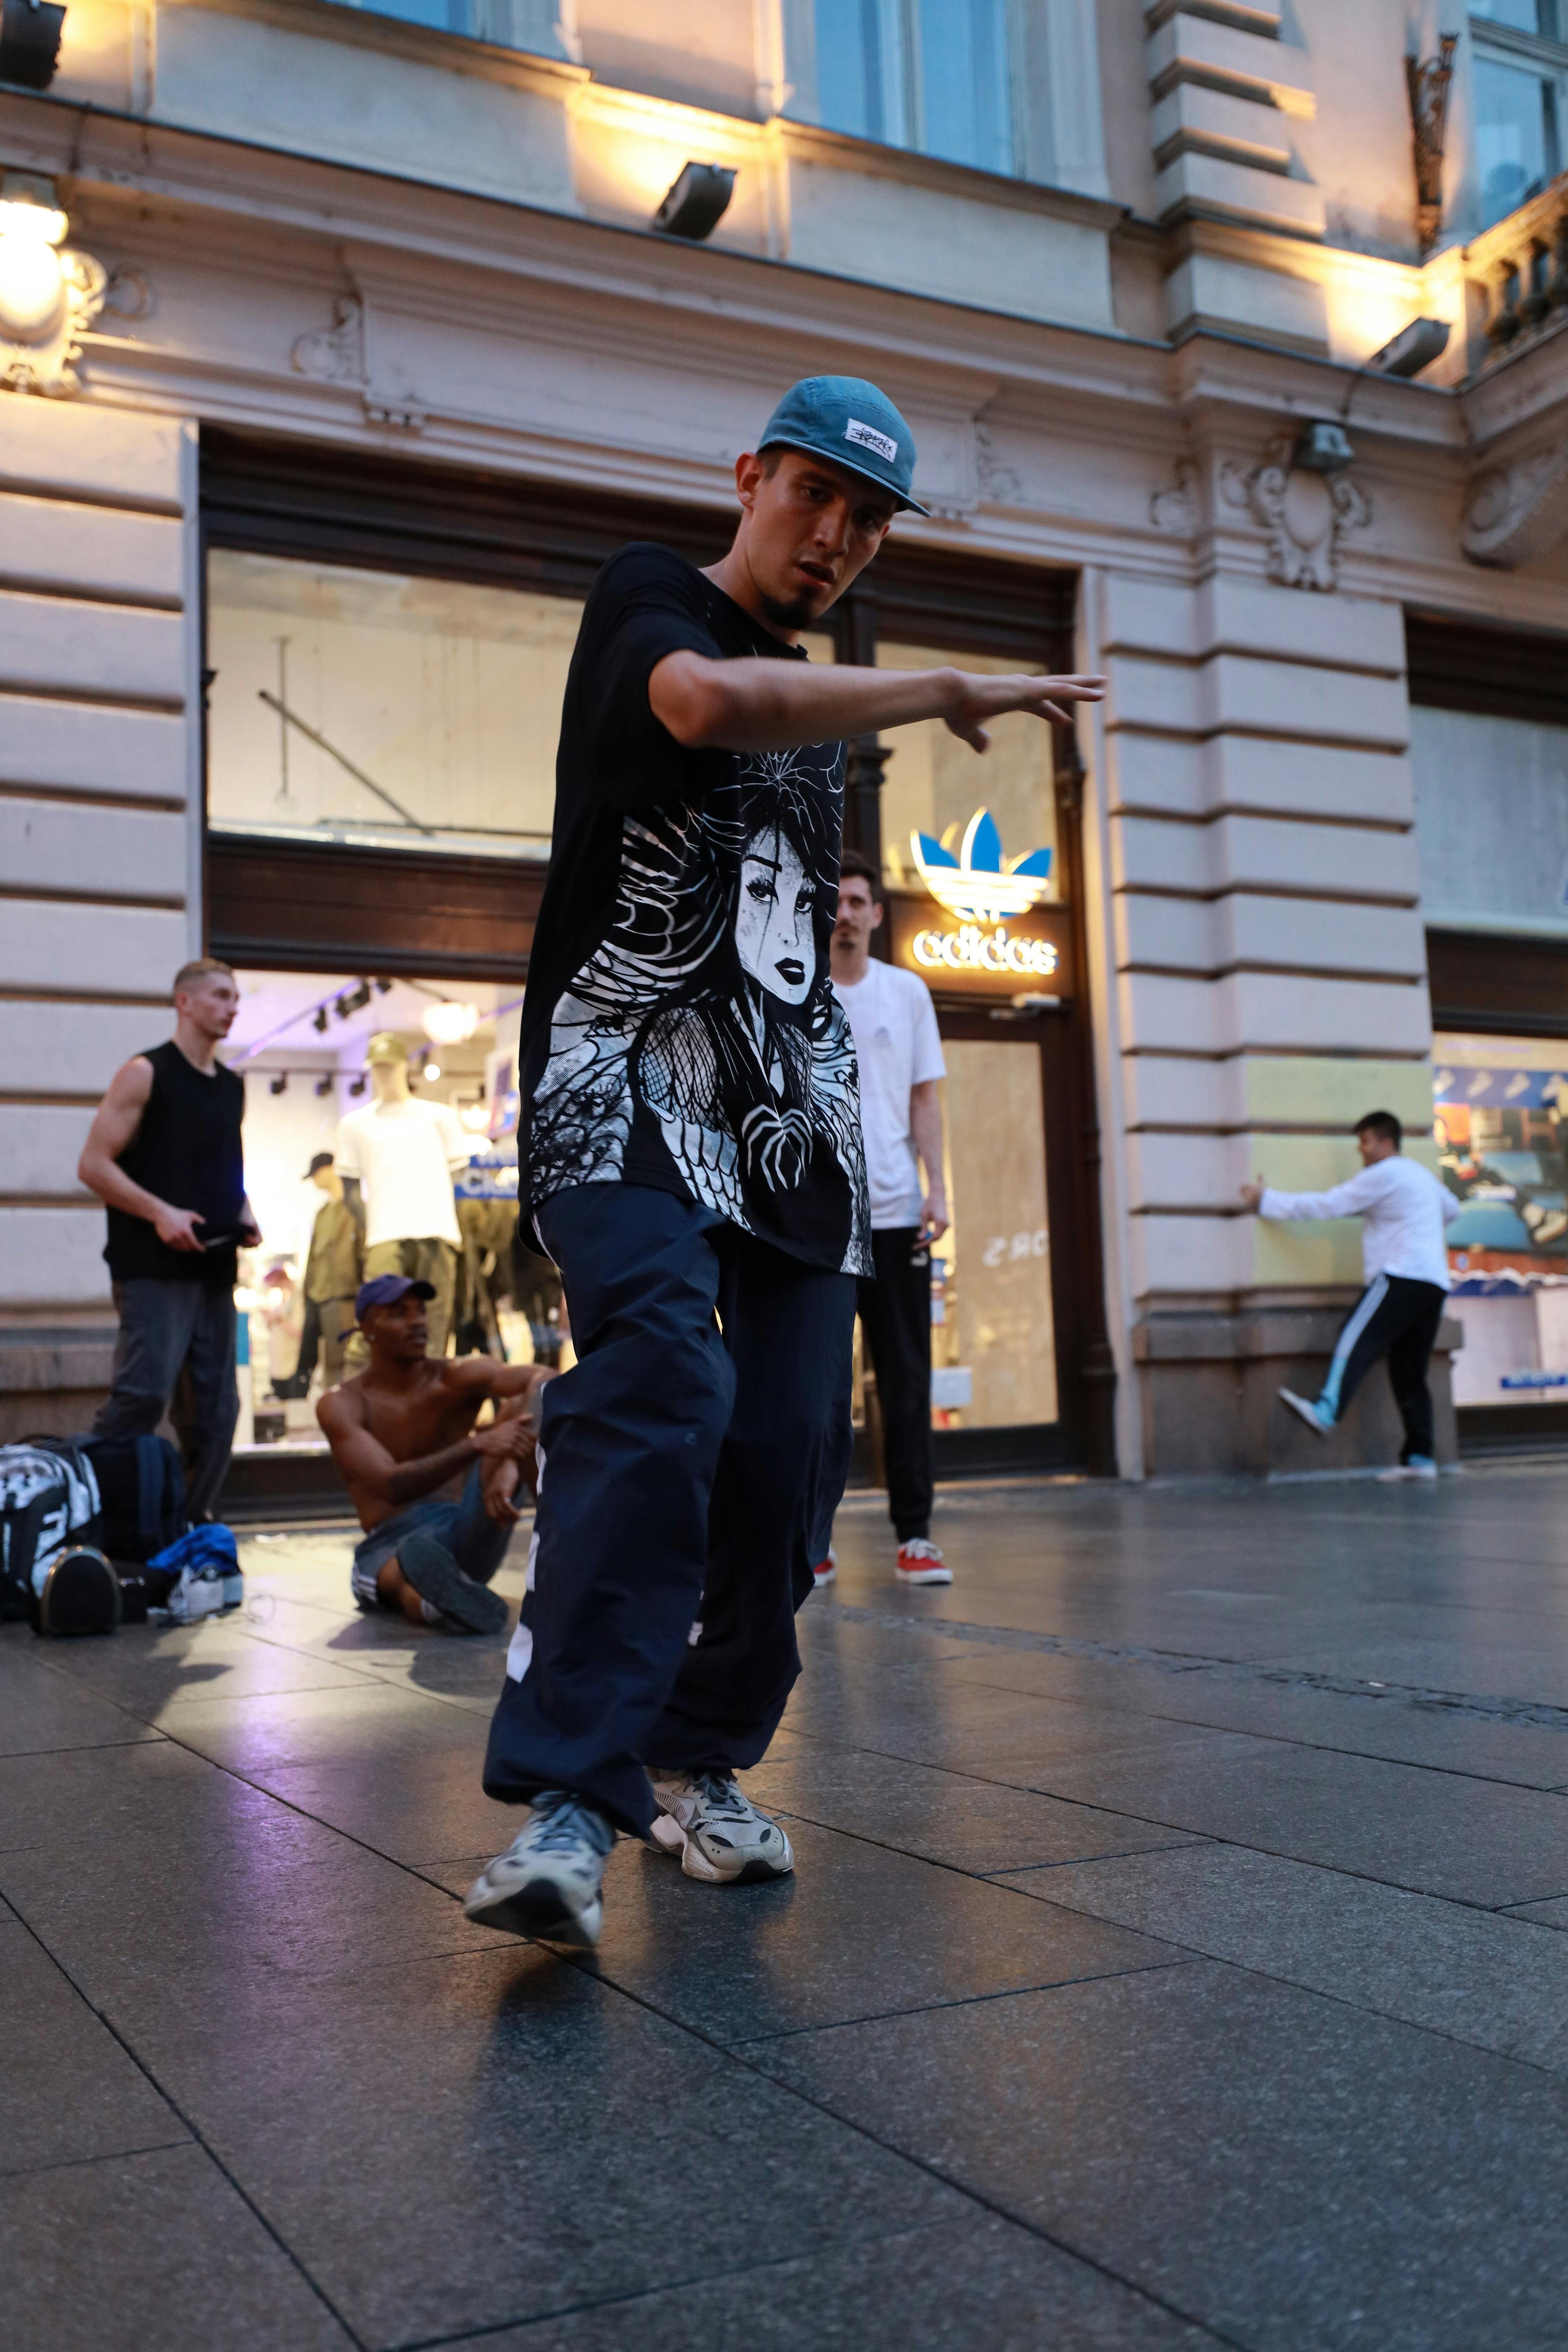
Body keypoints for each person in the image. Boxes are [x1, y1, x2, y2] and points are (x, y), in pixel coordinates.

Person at [462, 372, 1105, 1950]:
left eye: (870, 519)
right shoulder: (653, 597)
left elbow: (789, 949)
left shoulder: (825, 721)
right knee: (665, 1379)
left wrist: (874, 1143)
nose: (837, 536)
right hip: (621, 1081)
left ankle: (704, 1752)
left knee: (788, 1455)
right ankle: (568, 1799)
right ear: (748, 474)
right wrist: (936, 682)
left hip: (791, 1126)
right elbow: (699, 706)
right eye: (815, 494)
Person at [77, 959, 260, 1520]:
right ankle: (81, 1514)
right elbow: (93, 1165)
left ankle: (182, 1530)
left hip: (214, 1269)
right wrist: (160, 1212)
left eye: (236, 998)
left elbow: (224, 1169)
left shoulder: (232, 1086)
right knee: (143, 1398)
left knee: (216, 1415)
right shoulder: (145, 1072)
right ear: (185, 1002)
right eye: (222, 996)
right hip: (152, 1268)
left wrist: (246, 1212)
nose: (233, 1007)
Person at [828, 848, 950, 1586]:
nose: (845, 913)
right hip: (815, 1226)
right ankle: (811, 1536)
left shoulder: (906, 993)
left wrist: (939, 1190)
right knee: (816, 1388)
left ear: (875, 914)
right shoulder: (797, 988)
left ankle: (915, 1536)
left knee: (905, 1378)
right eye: (835, 902)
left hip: (898, 1212)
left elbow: (924, 1098)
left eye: (856, 902)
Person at [317, 1275, 552, 1633]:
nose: (417, 1322)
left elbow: (546, 1379)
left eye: (421, 1312)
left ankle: (553, 1554)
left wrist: (509, 1463)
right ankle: (439, 1603)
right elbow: (392, 1486)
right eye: (399, 1313)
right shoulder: (342, 1404)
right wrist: (476, 1445)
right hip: (391, 1537)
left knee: (529, 1404)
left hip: (467, 1523)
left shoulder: (457, 1376)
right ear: (367, 1329)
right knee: (401, 1575)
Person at [1241, 1110, 1462, 1480]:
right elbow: (1451, 1210)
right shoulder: (1419, 1176)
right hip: (1433, 1282)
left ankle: (1326, 1410)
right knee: (1409, 1370)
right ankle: (1420, 1458)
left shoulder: (1383, 1174)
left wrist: (1267, 1201)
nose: (1361, 1150)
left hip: (1399, 1274)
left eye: (1366, 1141)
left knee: (1355, 1334)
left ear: (1386, 1143)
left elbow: (1329, 1205)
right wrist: (1411, 1222)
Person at [273, 1153, 362, 1398]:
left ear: (330, 1169)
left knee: (348, 1363)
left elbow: (363, 1253)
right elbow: (314, 1259)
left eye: (316, 1174)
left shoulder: (355, 1209)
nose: (314, 1181)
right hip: (320, 1300)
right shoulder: (323, 1213)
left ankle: (348, 1417)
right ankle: (334, 1415)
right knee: (328, 1365)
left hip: (345, 1297)